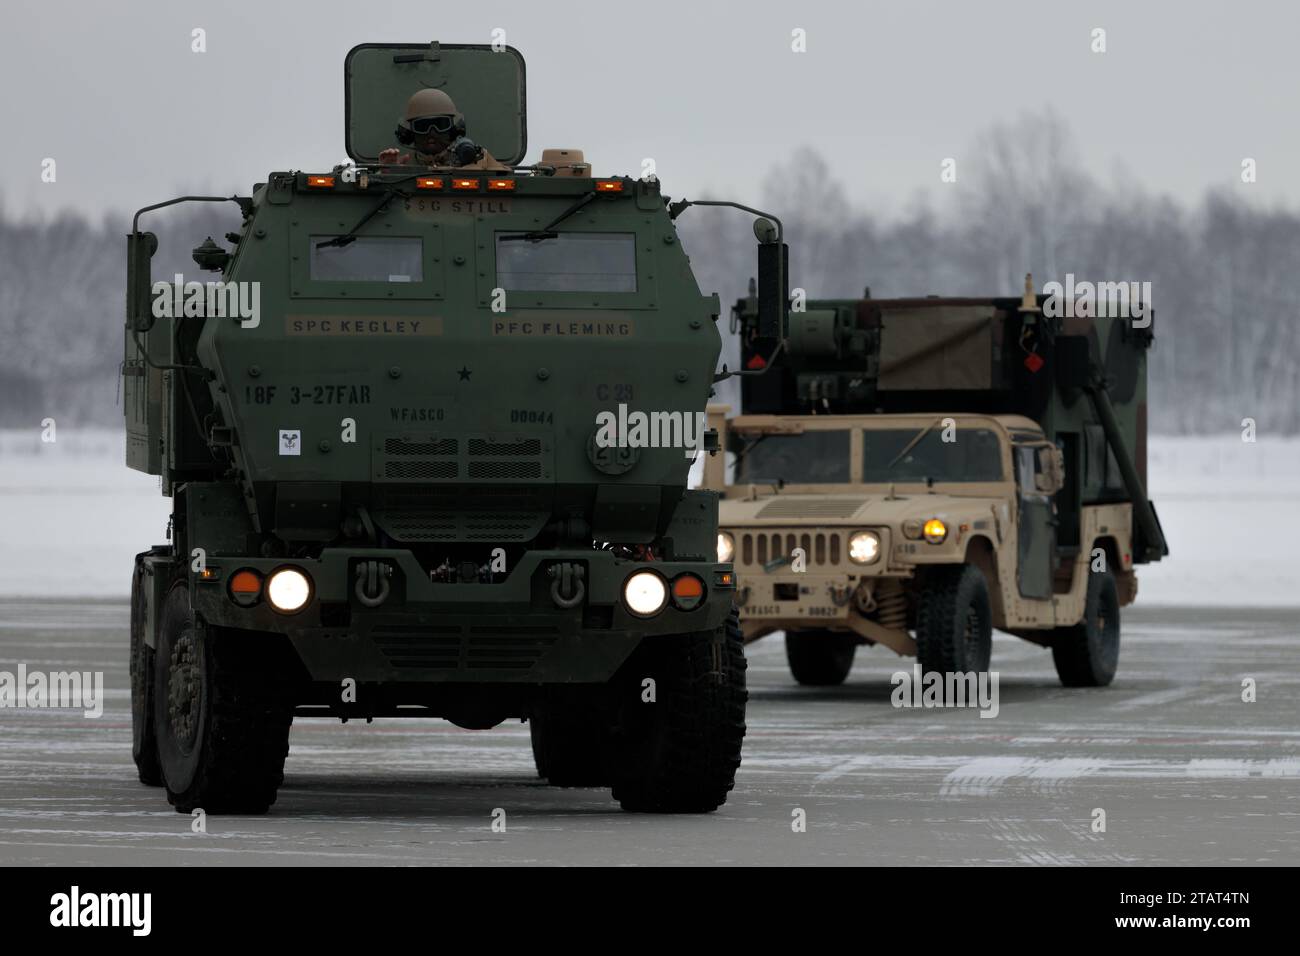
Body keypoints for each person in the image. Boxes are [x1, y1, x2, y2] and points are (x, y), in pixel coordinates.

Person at [377, 88, 508, 170]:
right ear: (409, 133)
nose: (431, 132)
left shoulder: (477, 158)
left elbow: (509, 182)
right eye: (422, 126)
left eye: (440, 124)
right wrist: (386, 171)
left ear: (455, 128)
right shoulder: (403, 165)